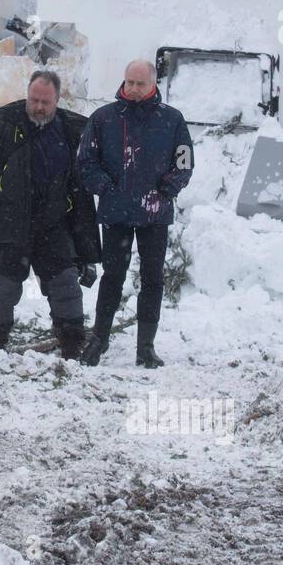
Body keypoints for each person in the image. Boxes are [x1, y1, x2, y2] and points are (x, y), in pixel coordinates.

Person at [0, 70, 100, 358]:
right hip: (10, 222)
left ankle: (73, 350)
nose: (38, 107)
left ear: (57, 100)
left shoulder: (71, 130)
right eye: (34, 100)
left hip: (53, 225)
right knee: (5, 290)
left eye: (45, 102)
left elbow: (83, 183)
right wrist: (0, 180)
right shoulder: (7, 123)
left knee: (66, 286)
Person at [76, 59, 194, 368]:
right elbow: (86, 161)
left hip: (155, 213)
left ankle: (146, 347)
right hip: (116, 212)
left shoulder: (172, 120)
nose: (134, 89)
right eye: (130, 82)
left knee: (152, 279)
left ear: (154, 84)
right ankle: (99, 339)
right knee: (112, 277)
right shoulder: (103, 119)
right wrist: (106, 188)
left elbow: (184, 162)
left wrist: (167, 190)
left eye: (140, 84)